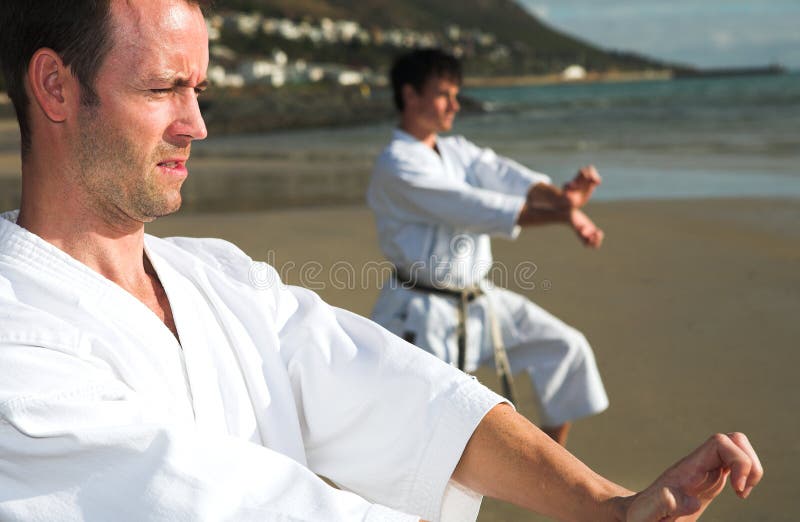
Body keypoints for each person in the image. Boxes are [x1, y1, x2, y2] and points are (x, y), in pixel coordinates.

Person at [0, 1, 762, 521]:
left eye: (199, 88)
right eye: (166, 87)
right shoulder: (16, 345)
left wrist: (607, 507)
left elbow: (398, 390)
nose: (198, 123)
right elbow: (239, 504)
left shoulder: (217, 275)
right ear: (56, 87)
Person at [368, 48, 608, 446]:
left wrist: (561, 200)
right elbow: (470, 206)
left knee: (566, 348)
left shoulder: (457, 149)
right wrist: (562, 215)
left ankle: (549, 469)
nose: (455, 105)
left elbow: (506, 176)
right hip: (420, 313)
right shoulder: (396, 164)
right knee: (428, 436)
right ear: (410, 95)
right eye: (444, 94)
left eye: (456, 94)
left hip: (480, 300)